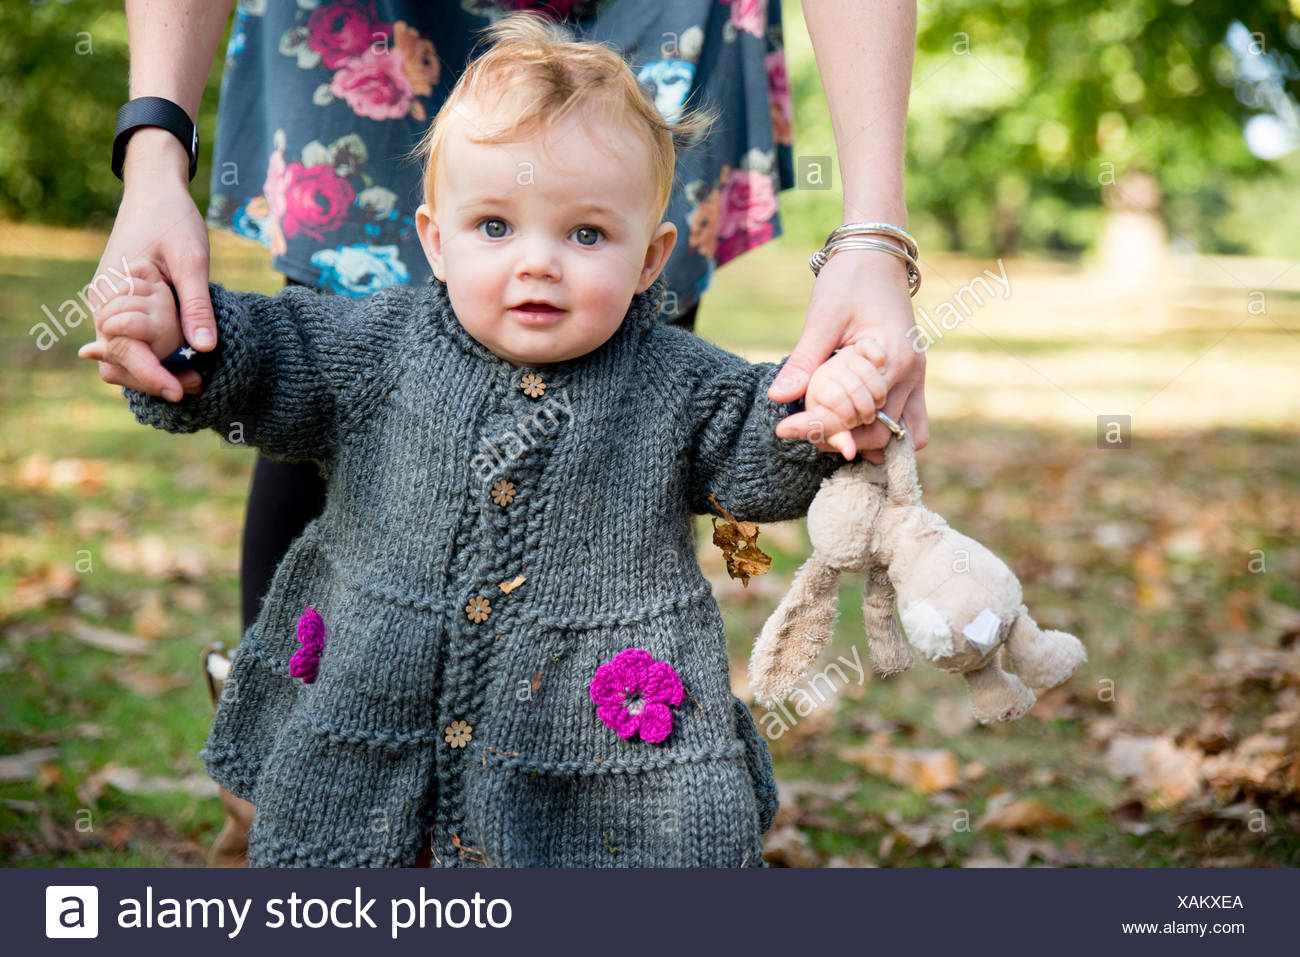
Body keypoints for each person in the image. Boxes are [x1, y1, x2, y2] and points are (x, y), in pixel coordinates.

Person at [78, 14, 896, 867]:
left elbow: (757, 451)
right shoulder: (376, 345)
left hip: (591, 745)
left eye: (586, 234)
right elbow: (267, 355)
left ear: (653, 259)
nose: (538, 262)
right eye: (496, 228)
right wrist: (178, 342)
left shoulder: (676, 379)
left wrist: (824, 412)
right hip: (375, 718)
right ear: (434, 238)